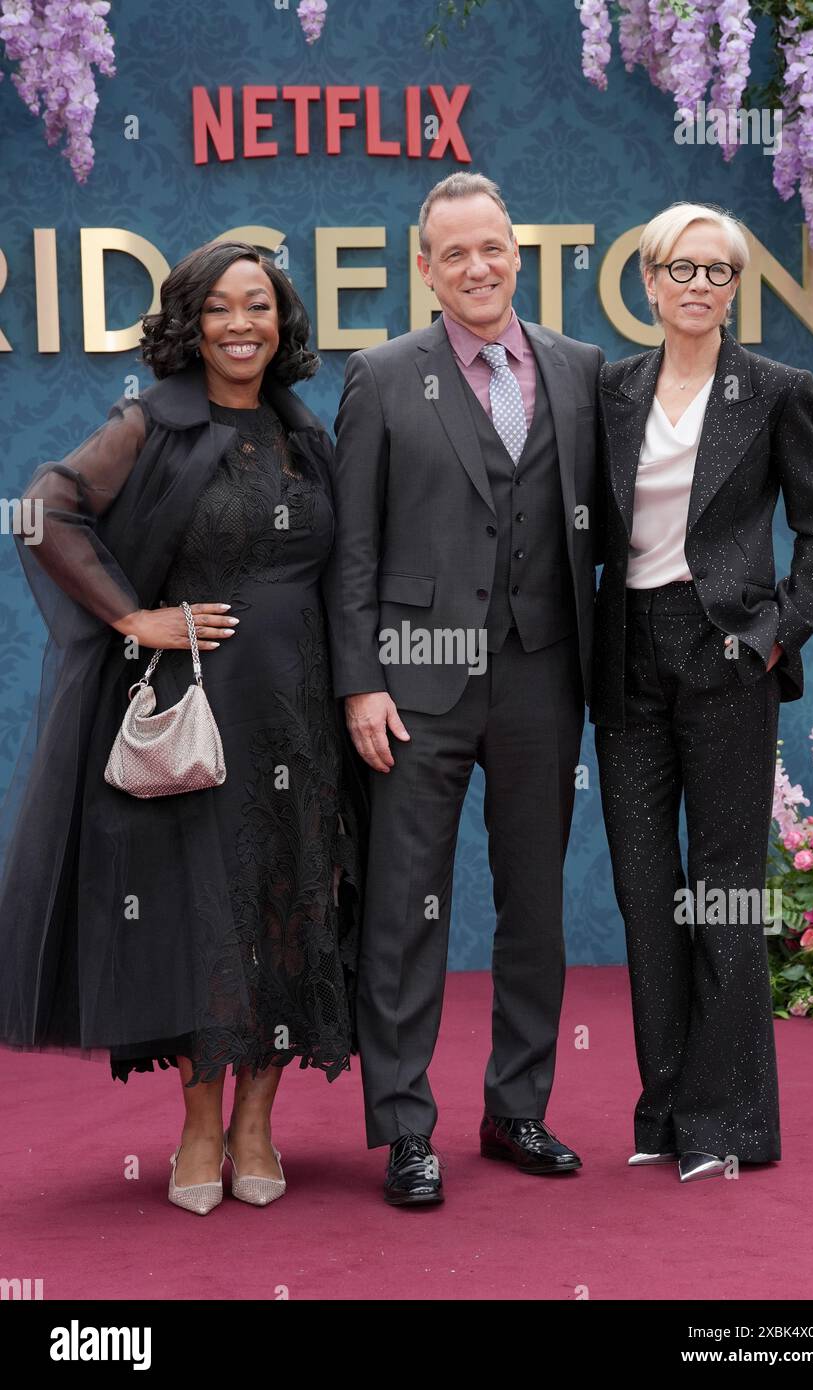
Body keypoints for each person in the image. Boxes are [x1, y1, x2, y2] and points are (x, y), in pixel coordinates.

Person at [0, 239, 365, 1214]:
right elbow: (46, 510)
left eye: (260, 305)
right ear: (189, 324)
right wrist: (132, 616)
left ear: (283, 320)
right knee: (214, 916)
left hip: (303, 711)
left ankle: (259, 1124)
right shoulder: (150, 422)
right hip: (205, 708)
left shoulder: (303, 431)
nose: (242, 323)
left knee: (293, 913)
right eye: (220, 308)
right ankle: (200, 1126)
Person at [328, 171, 604, 1206]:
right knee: (405, 912)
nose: (477, 267)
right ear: (424, 268)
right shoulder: (383, 376)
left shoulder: (580, 371)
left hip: (543, 676)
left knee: (533, 906)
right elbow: (351, 549)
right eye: (454, 254)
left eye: (491, 247)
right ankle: (405, 1127)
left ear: (516, 252)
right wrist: (359, 682)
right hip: (413, 688)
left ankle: (515, 1107)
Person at [591, 202, 813, 1182]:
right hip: (627, 660)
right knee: (644, 889)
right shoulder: (609, 391)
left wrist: (772, 635)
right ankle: (663, 1107)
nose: (698, 286)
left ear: (733, 289)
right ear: (646, 282)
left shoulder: (776, 389)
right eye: (680, 269)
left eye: (717, 272)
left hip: (725, 653)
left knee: (723, 894)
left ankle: (727, 1119)